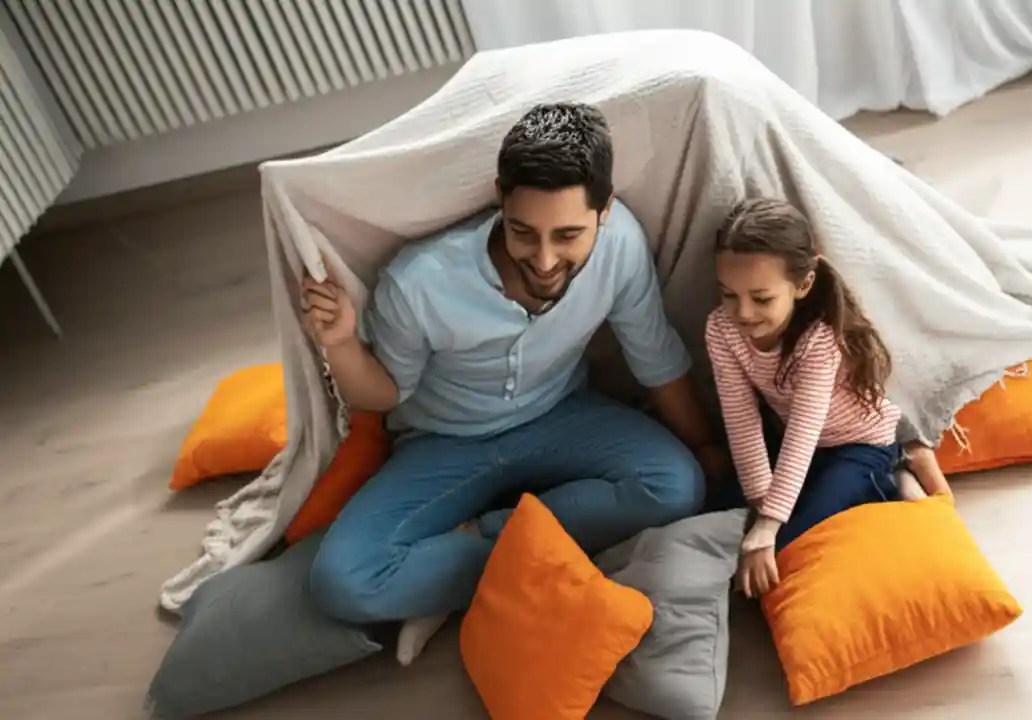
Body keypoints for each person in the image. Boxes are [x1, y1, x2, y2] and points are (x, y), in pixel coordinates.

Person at [301, 103, 728, 662]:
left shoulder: (622, 243)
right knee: (340, 581)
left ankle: (471, 556)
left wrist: (702, 449)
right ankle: (515, 572)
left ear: (606, 208)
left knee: (676, 484)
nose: (545, 259)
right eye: (523, 231)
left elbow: (657, 361)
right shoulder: (421, 281)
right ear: (501, 195)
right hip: (441, 441)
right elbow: (381, 396)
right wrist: (340, 344)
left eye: (569, 235)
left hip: (562, 415)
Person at [704, 198, 951, 599]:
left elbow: (804, 429)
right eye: (729, 294)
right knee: (721, 513)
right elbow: (742, 420)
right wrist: (756, 505)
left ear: (803, 284)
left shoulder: (819, 339)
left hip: (858, 445)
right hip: (794, 446)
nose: (743, 313)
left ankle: (898, 470)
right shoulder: (720, 329)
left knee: (787, 546)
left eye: (761, 298)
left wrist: (768, 527)